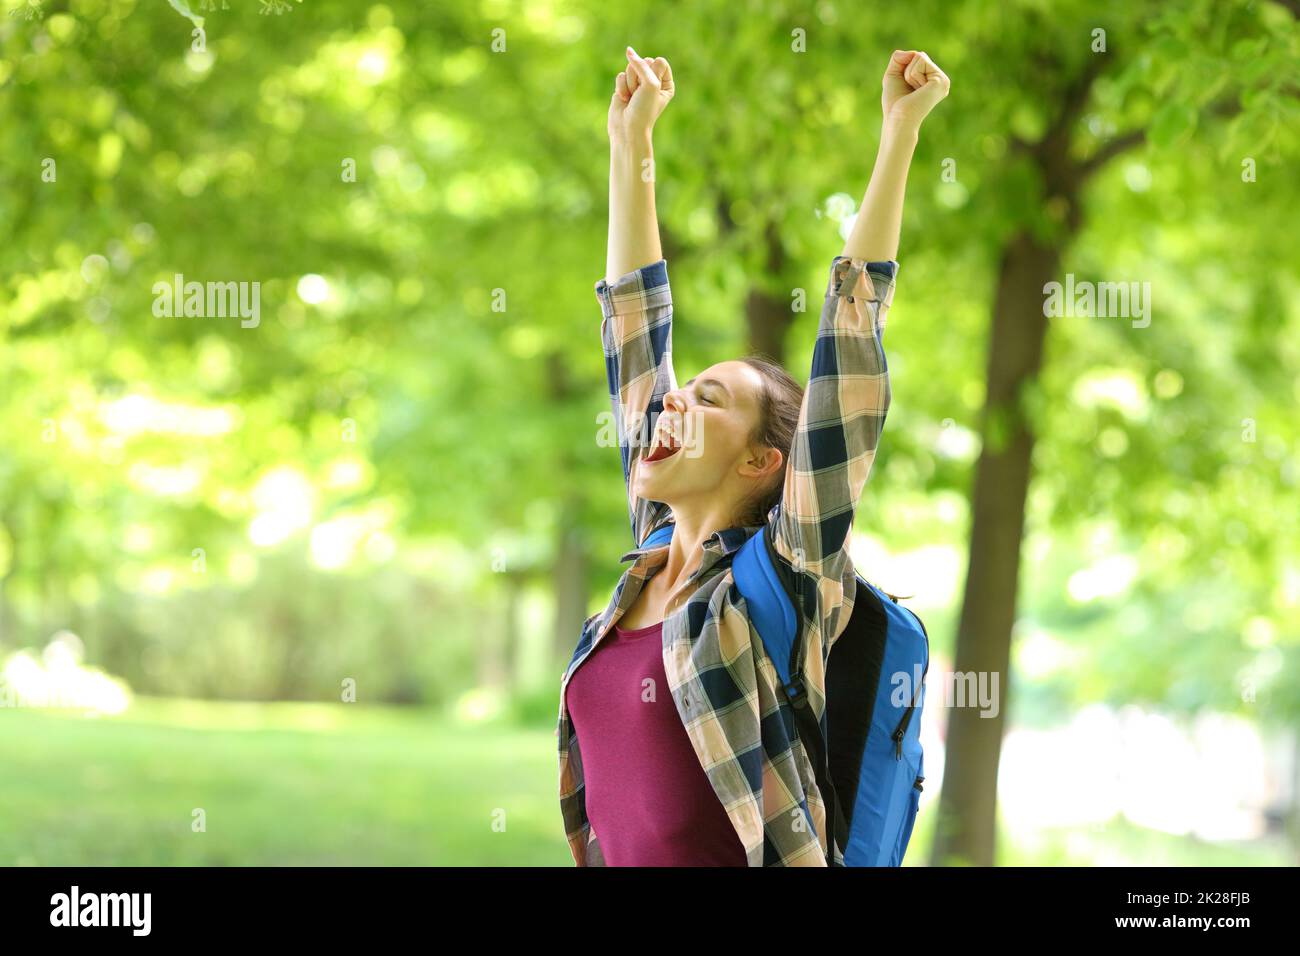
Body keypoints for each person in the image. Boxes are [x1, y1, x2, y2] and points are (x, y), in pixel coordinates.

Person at [558, 46, 950, 866]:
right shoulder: (650, 556)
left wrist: (899, 133)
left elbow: (848, 357)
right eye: (681, 391)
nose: (671, 400)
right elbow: (633, 330)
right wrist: (631, 144)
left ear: (761, 463)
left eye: (708, 400)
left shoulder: (785, 576)